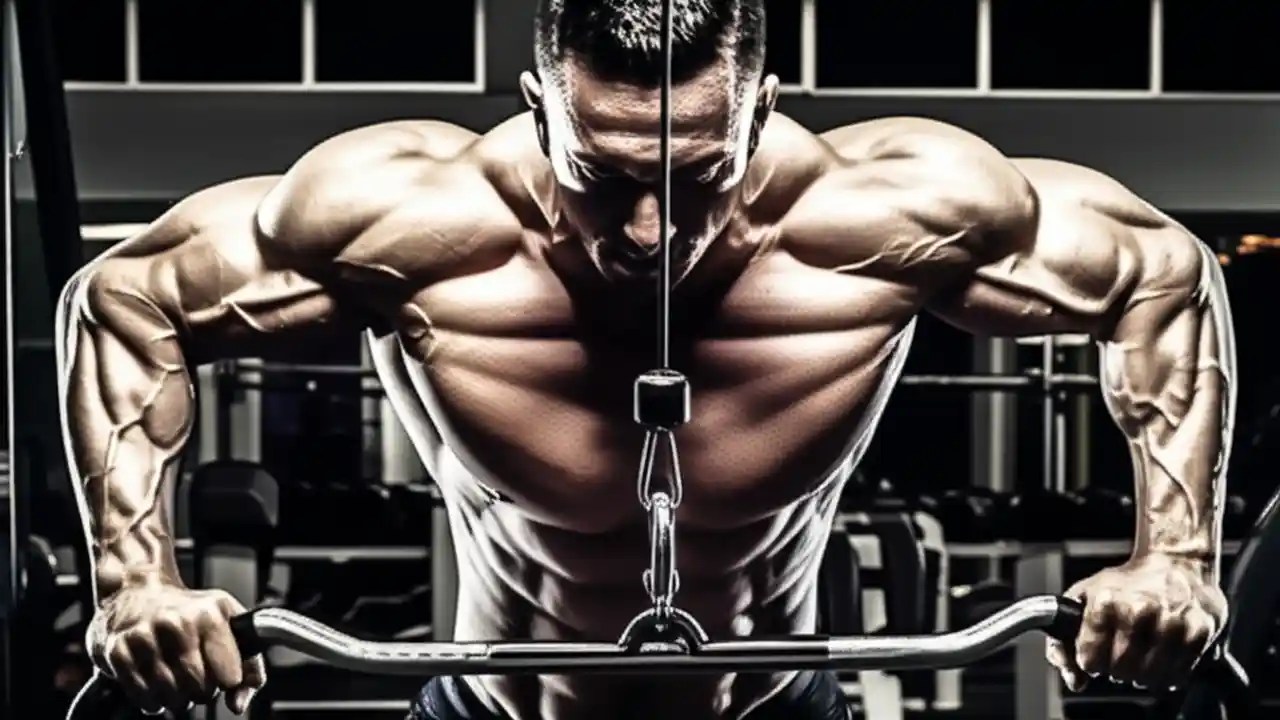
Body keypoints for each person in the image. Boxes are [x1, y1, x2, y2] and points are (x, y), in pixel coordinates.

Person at [56, 1, 1236, 718]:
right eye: (604, 175)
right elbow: (125, 299)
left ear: (763, 106)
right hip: (497, 710)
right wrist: (137, 584)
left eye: (694, 174)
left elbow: (1160, 275)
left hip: (770, 705)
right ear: (537, 103)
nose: (648, 230)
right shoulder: (406, 221)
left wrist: (1171, 560)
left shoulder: (890, 218)